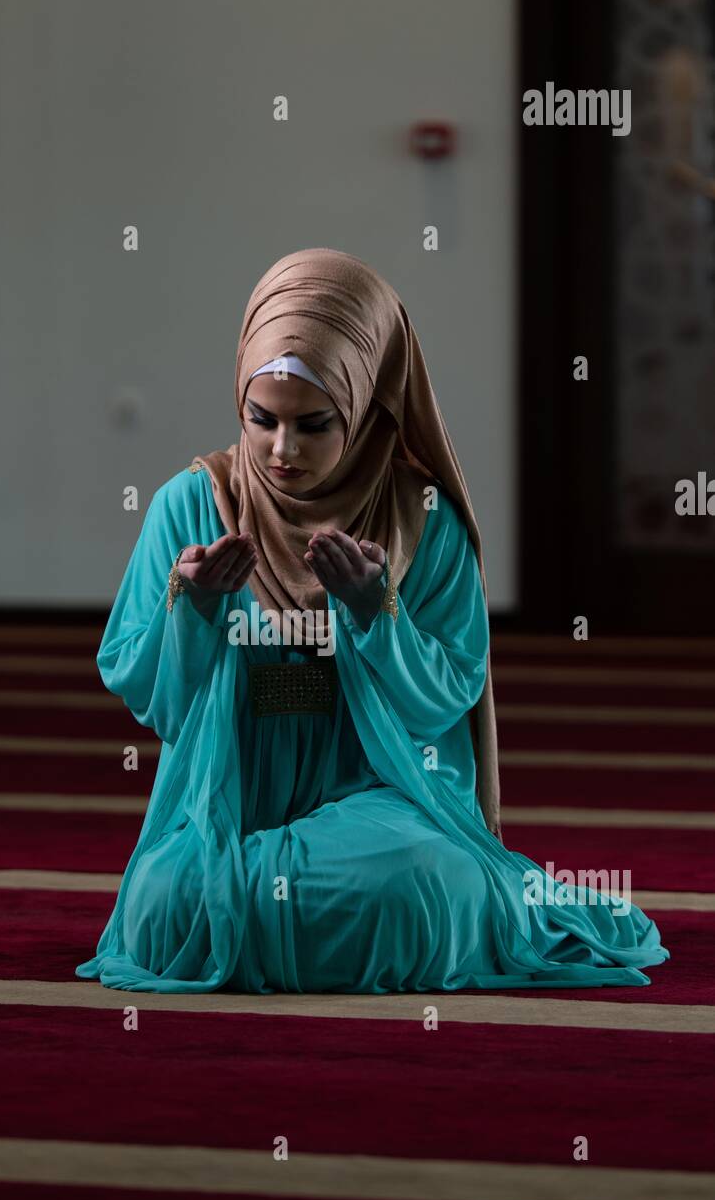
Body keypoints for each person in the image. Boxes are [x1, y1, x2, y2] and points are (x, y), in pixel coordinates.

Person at [75, 248, 668, 994]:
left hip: (378, 796)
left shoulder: (422, 518)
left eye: (313, 424)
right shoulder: (193, 505)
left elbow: (445, 697)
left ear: (364, 406)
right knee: (162, 905)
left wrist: (374, 612)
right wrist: (191, 610)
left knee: (424, 881)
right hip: (232, 791)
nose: (282, 450)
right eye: (262, 419)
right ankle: (264, 904)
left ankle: (248, 909)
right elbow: (151, 697)